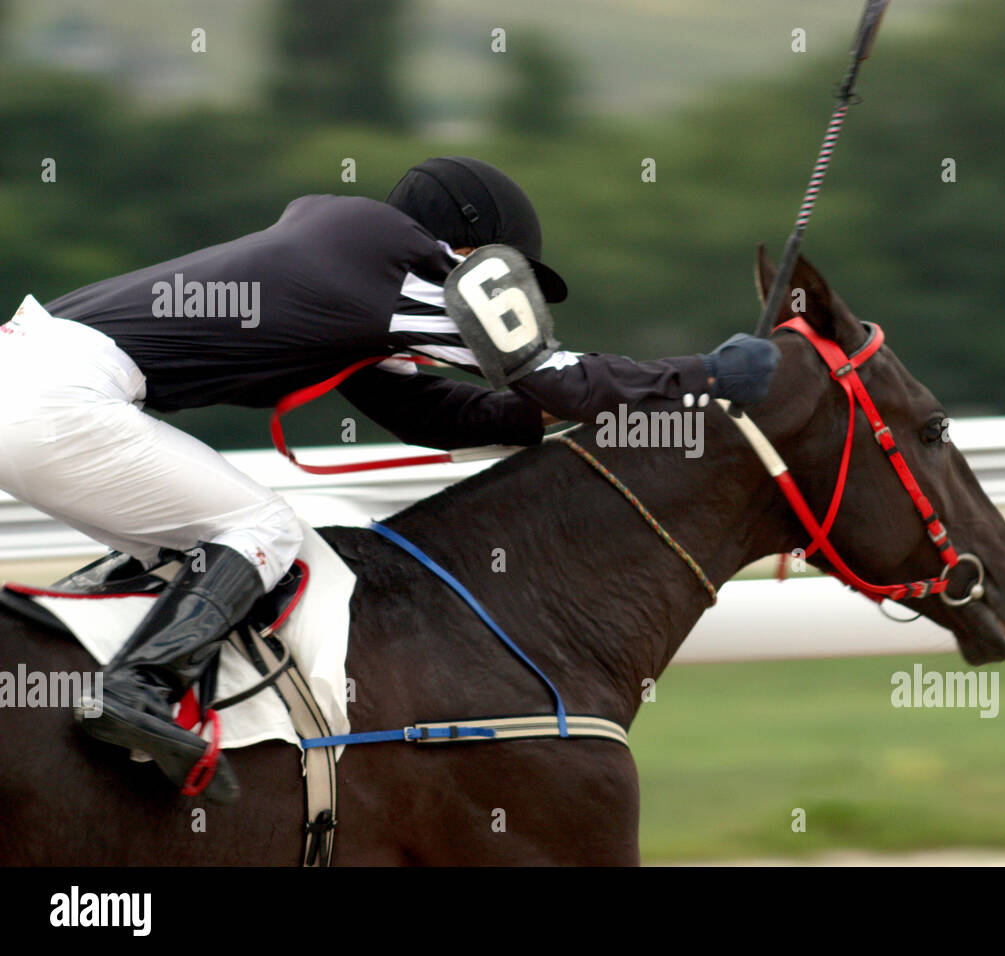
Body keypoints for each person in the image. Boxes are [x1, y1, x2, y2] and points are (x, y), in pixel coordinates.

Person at [0, 156, 777, 802]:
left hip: (35, 383)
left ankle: (141, 713)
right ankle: (136, 692)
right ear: (474, 250)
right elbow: (559, 375)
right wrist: (706, 373)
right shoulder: (407, 270)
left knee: (194, 548)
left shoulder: (349, 268)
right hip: (59, 397)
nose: (518, 295)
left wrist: (540, 418)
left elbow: (429, 412)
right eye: (517, 274)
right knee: (265, 531)